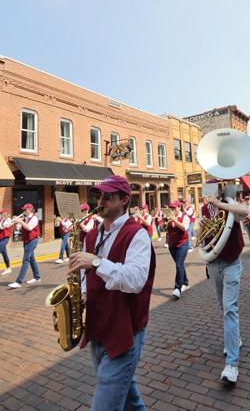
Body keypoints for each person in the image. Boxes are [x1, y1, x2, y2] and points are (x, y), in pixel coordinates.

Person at [69, 175, 155, 411]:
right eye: (99, 195)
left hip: (125, 329)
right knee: (128, 398)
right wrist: (83, 292)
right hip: (98, 326)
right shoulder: (91, 235)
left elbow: (135, 280)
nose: (101, 201)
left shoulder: (137, 234)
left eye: (108, 196)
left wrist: (96, 262)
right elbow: (86, 275)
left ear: (125, 200)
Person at [202, 190, 247, 385]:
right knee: (223, 307)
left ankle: (231, 364)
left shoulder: (230, 206)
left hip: (231, 264)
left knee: (230, 309)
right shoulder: (205, 209)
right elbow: (201, 231)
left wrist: (220, 205)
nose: (208, 194)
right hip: (214, 264)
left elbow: (244, 211)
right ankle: (234, 339)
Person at [9, 203, 41, 289]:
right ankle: (37, 277)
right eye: (23, 210)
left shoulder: (34, 218)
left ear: (30, 209)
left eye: (25, 210)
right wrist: (16, 223)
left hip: (33, 240)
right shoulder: (25, 218)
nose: (23, 211)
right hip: (26, 240)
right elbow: (19, 229)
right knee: (31, 259)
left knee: (26, 259)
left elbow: (29, 228)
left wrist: (20, 221)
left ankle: (18, 282)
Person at [167, 200, 190, 299]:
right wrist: (165, 222)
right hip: (172, 244)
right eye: (171, 208)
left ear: (179, 207)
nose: (172, 210)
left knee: (179, 265)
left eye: (174, 208)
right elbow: (165, 228)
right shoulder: (169, 217)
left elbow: (184, 228)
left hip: (182, 243)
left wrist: (174, 220)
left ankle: (177, 288)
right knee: (179, 264)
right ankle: (185, 282)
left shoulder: (184, 216)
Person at [0, 209, 13, 275]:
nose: (3, 214)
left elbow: (2, 227)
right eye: (2, 213)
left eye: (5, 213)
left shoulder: (8, 220)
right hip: (0, 238)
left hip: (5, 238)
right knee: (4, 254)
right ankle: (8, 268)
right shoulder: (1, 220)